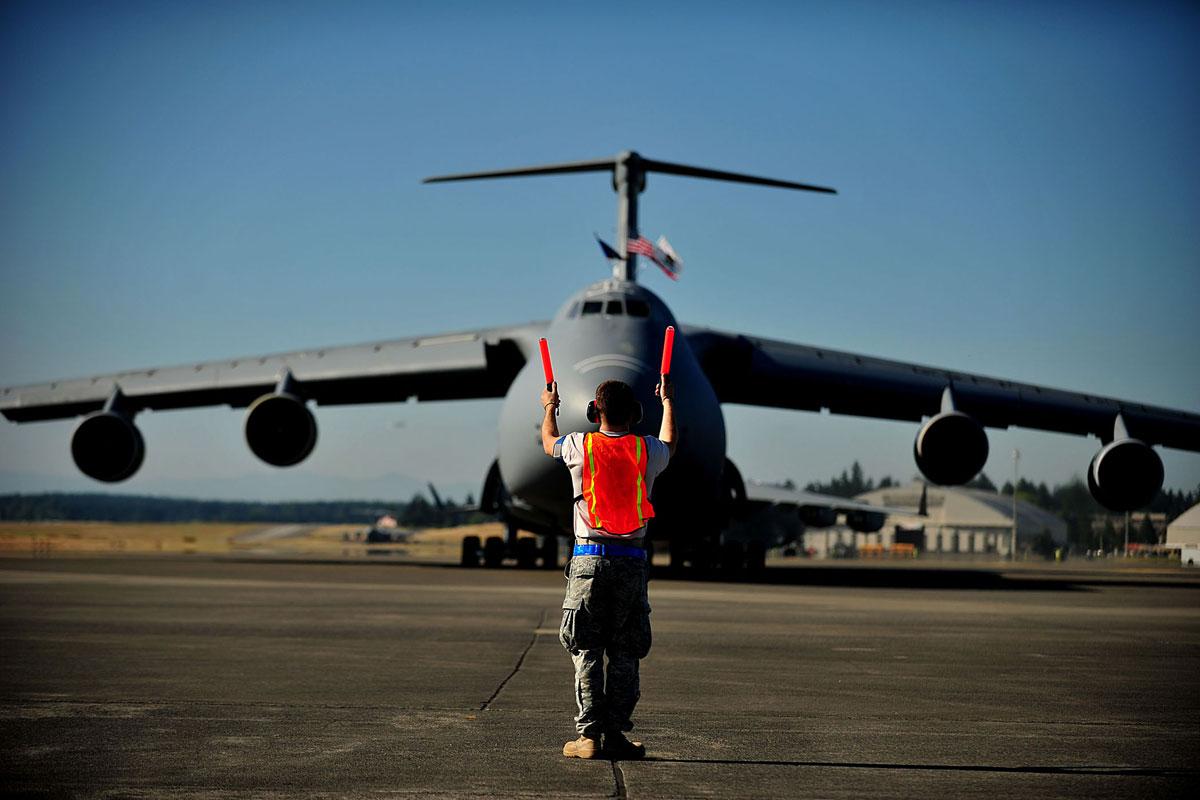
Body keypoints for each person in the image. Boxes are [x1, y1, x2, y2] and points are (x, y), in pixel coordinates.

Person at [539, 374, 676, 760]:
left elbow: (548, 441)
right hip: (632, 562)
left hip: (589, 562)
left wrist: (550, 407)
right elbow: (670, 442)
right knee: (626, 652)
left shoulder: (579, 446)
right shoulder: (647, 450)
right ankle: (615, 733)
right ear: (635, 414)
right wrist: (667, 401)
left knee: (586, 650)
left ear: (593, 411)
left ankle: (588, 738)